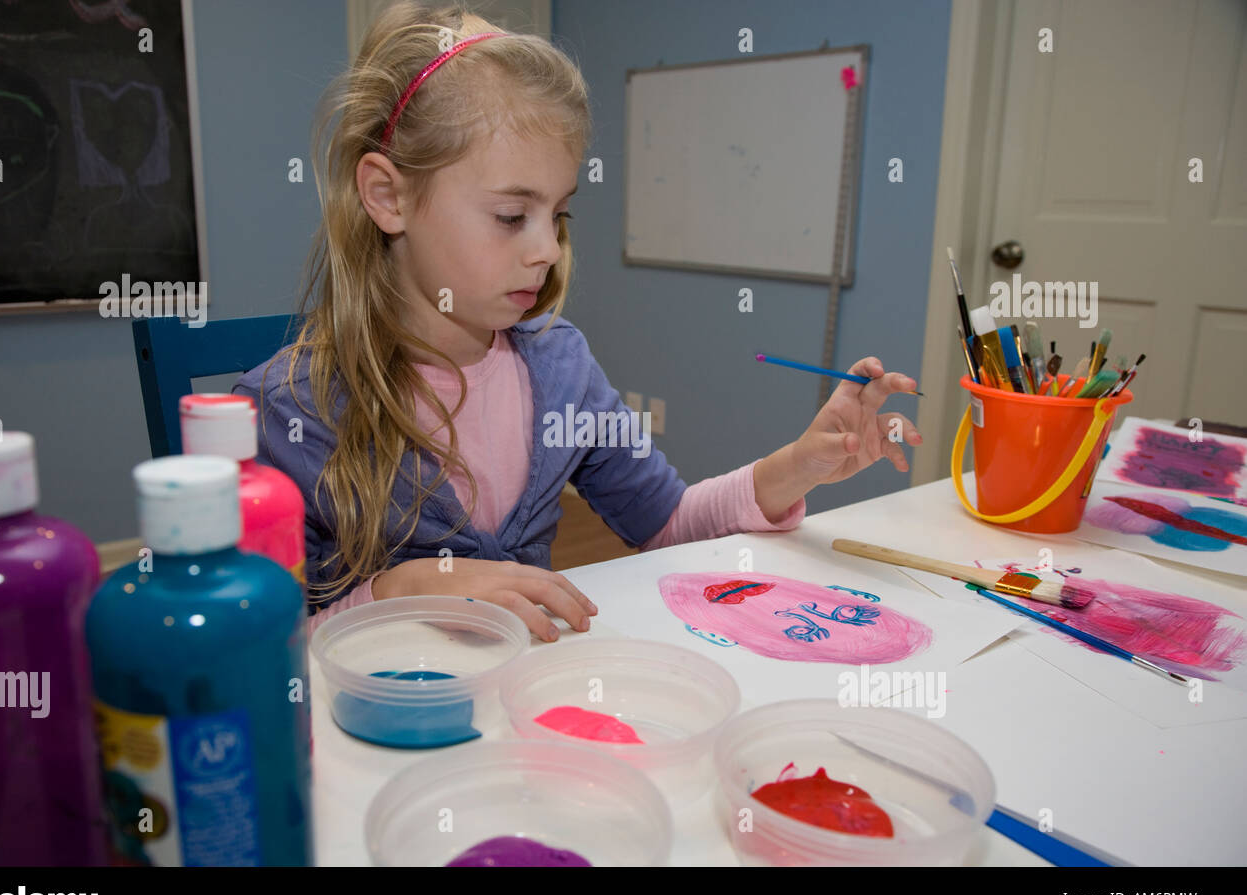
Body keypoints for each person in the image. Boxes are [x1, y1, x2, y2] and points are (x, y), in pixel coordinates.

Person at [234, 2, 922, 643]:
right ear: (388, 196)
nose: (547, 249)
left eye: (557, 215)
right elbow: (260, 649)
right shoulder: (290, 411)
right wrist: (401, 590)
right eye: (511, 216)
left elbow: (668, 524)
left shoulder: (560, 369)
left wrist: (797, 466)